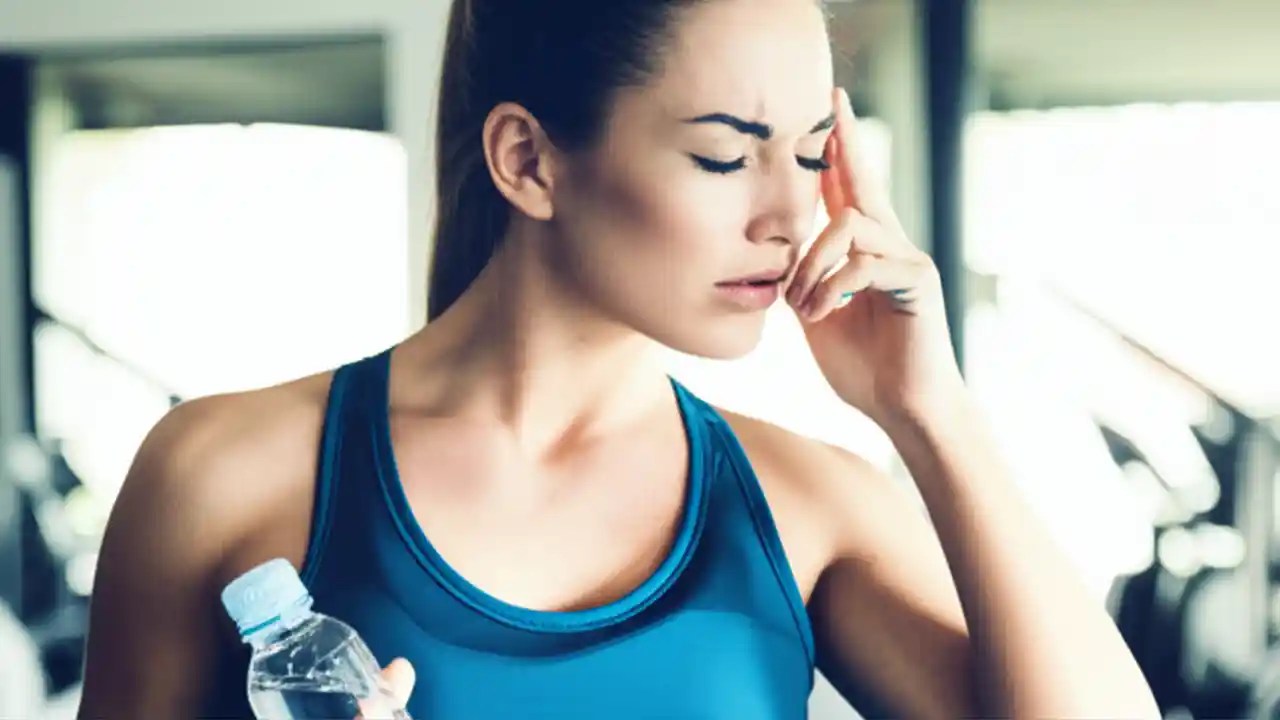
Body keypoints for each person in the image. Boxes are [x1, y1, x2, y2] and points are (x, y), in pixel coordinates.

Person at [76, 0, 1160, 717]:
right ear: (528, 160)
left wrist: (933, 416)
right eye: (724, 155)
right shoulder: (221, 472)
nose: (790, 214)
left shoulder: (807, 508)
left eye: (814, 155)